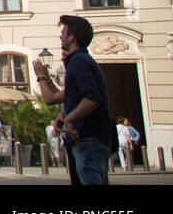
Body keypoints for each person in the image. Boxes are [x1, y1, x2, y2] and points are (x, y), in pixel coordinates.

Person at [33, 14, 116, 185]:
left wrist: (70, 118)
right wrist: (45, 78)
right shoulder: (82, 61)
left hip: (86, 138)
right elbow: (56, 97)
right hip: (87, 139)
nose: (60, 36)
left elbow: (92, 98)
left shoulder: (79, 61)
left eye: (63, 32)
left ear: (72, 37)